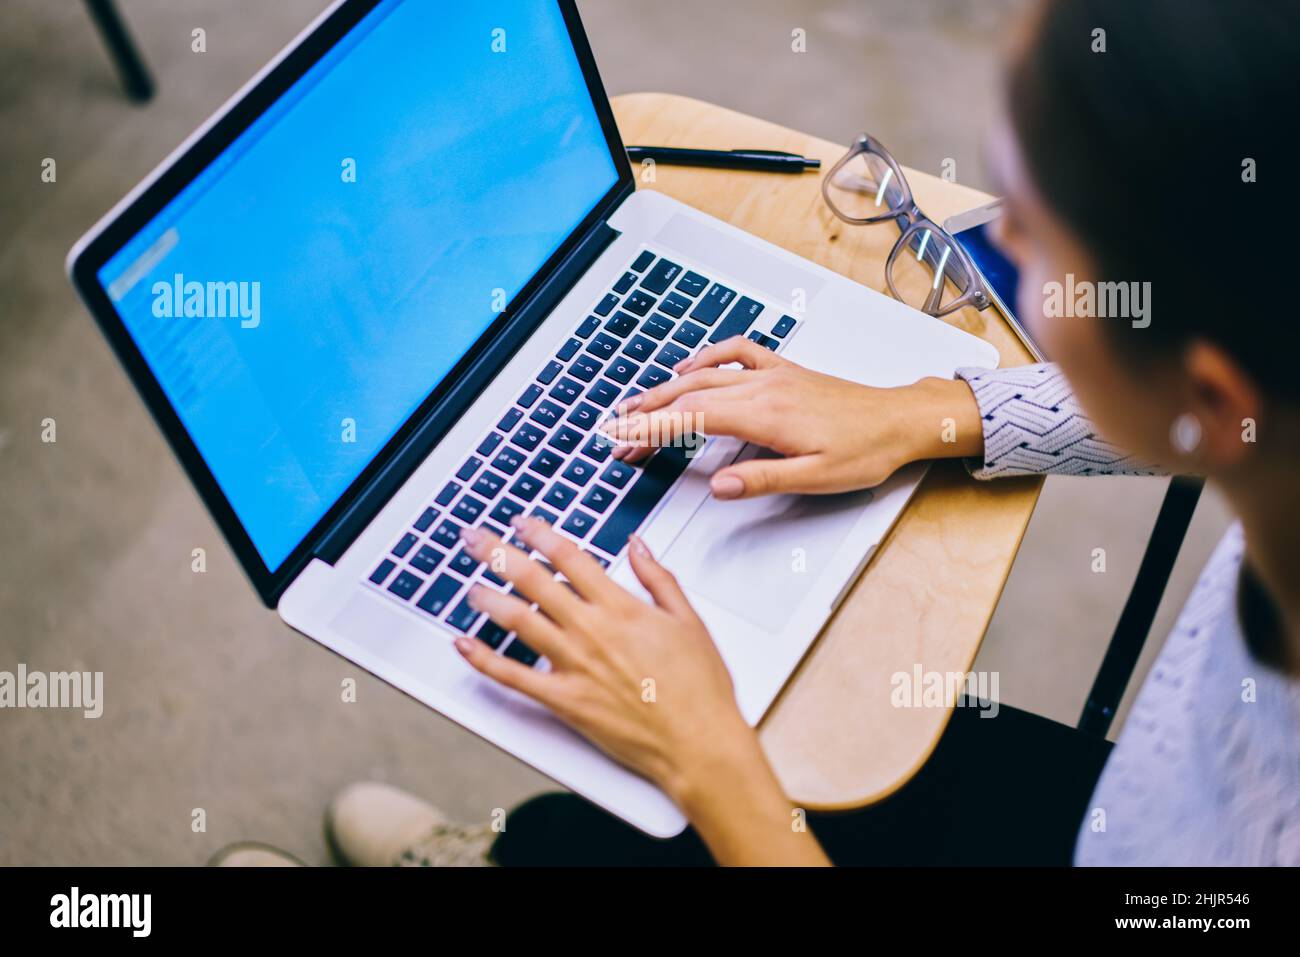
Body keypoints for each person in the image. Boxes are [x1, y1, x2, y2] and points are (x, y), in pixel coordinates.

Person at [212, 0, 1298, 867]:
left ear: (1202, 393)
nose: (996, 235)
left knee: (702, 788)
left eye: (1038, 229)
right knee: (749, 787)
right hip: (1143, 779)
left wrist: (712, 768)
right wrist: (927, 411)